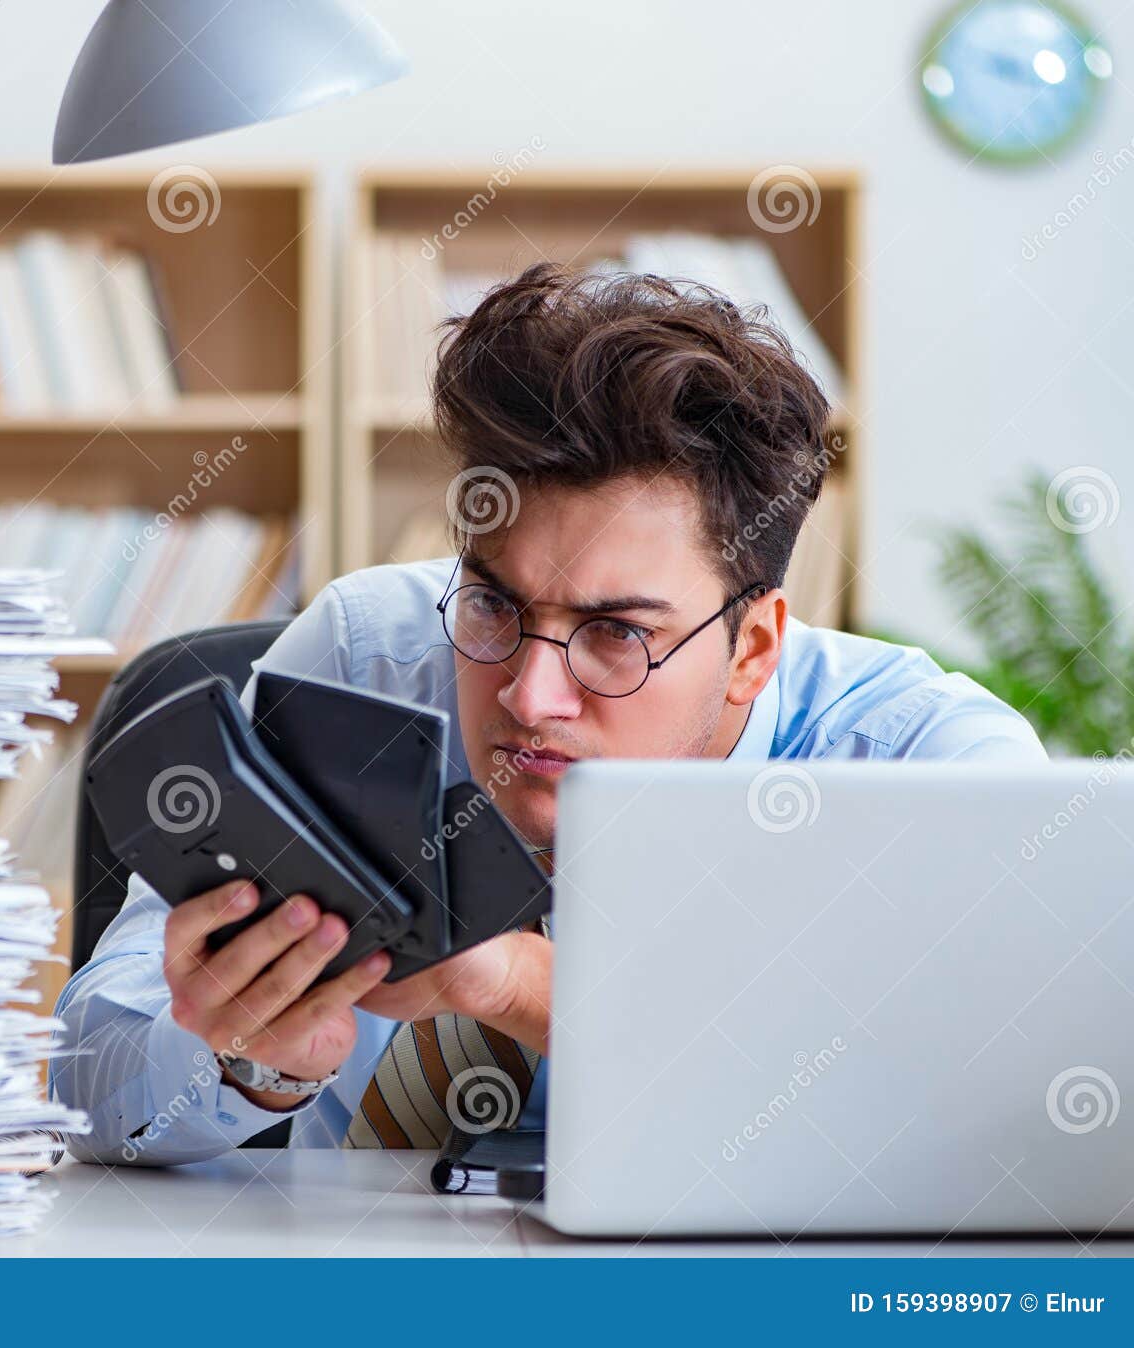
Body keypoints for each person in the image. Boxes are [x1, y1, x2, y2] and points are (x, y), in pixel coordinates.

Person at [53, 264, 1045, 1164]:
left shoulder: (928, 767)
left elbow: (981, 1117)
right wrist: (240, 1062)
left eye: (616, 632)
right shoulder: (364, 661)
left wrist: (517, 982)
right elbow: (81, 1085)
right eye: (493, 605)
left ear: (752, 648)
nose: (528, 697)